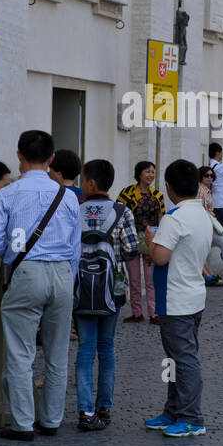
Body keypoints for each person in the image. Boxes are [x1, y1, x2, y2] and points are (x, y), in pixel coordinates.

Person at [0, 130, 81, 440]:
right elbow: (75, 247)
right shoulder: (68, 196)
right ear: (52, 159)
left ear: (18, 156)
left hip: (26, 273)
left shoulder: (8, 195)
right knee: (56, 353)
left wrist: (13, 253)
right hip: (63, 274)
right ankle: (51, 420)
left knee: (20, 353)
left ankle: (22, 423)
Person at [143, 159, 213, 438]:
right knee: (173, 359)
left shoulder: (174, 217)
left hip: (176, 299)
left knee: (183, 360)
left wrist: (150, 239)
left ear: (169, 187)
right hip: (192, 295)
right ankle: (172, 410)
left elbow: (160, 257)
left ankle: (191, 417)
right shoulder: (203, 214)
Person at [73, 159, 138, 431]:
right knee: (107, 348)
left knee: (85, 348)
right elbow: (132, 249)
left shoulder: (74, 210)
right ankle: (104, 408)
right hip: (112, 290)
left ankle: (86, 412)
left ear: (90, 183)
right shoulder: (122, 211)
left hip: (81, 290)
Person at [117, 161, 165, 323]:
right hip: (130, 239)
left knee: (151, 280)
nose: (151, 175)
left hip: (151, 238)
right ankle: (137, 312)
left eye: (153, 172)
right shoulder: (126, 193)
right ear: (139, 174)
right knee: (134, 279)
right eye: (147, 172)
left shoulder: (158, 195)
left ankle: (154, 313)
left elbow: (161, 219)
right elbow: (118, 214)